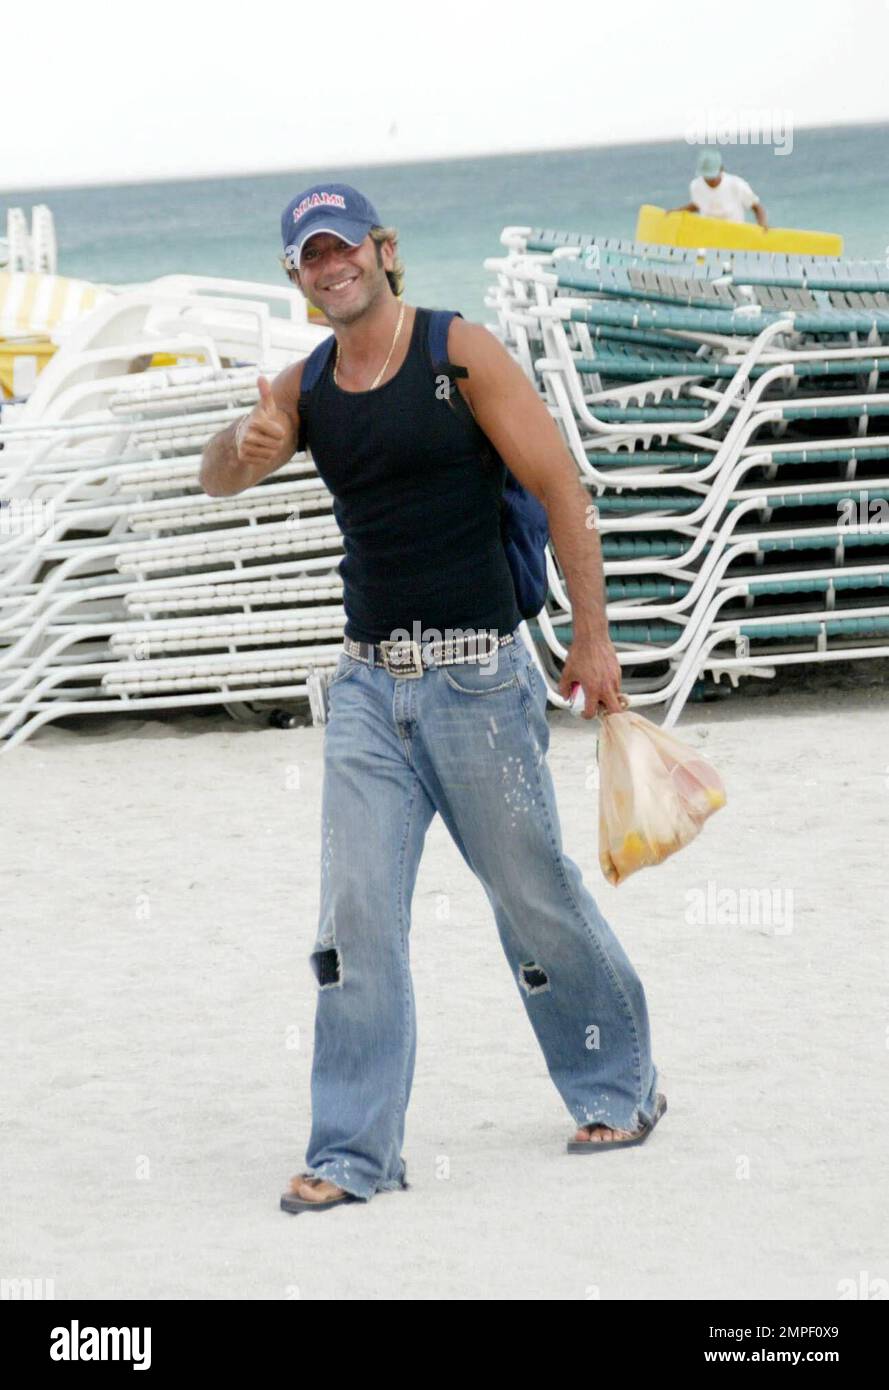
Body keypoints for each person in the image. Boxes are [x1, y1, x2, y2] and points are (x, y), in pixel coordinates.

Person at [199, 182, 666, 1213]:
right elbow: (215, 480)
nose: (331, 266)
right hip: (366, 690)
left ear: (382, 248)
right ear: (296, 276)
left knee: (531, 896)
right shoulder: (306, 385)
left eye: (343, 247)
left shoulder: (460, 352)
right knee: (355, 917)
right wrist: (245, 443)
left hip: (479, 683)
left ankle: (618, 1085)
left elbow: (560, 490)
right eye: (310, 256)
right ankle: (352, 1151)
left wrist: (592, 640)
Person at [670, 149, 769, 229]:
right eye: (706, 177)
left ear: (721, 169)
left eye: (712, 176)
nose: (709, 180)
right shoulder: (695, 186)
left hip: (734, 237)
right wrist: (675, 212)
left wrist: (762, 225)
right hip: (709, 238)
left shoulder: (736, 185)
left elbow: (756, 207)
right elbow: (697, 205)